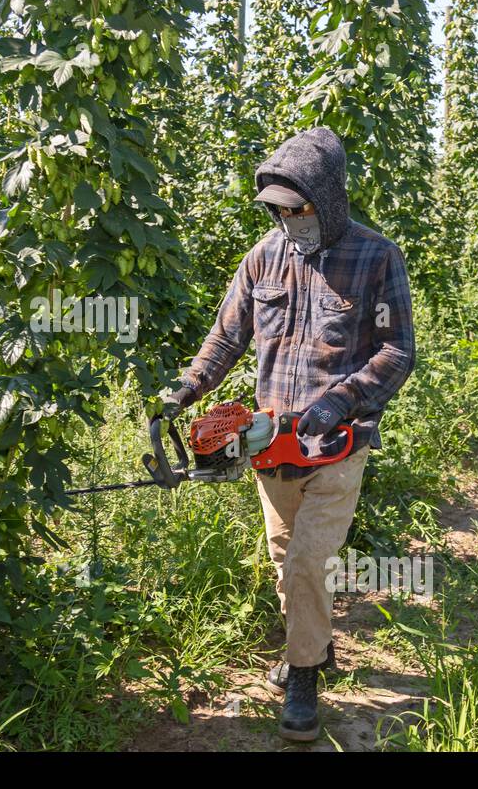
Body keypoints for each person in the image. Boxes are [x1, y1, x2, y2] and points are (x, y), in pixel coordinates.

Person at [165, 127, 416, 742]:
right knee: (286, 560)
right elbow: (226, 337)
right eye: (276, 209)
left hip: (337, 445)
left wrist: (342, 401)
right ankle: (317, 645)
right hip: (270, 440)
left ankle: (303, 675)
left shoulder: (375, 258)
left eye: (295, 208)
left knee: (309, 561)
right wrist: (185, 391)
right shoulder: (263, 258)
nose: (285, 220)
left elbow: (397, 351)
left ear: (327, 200)